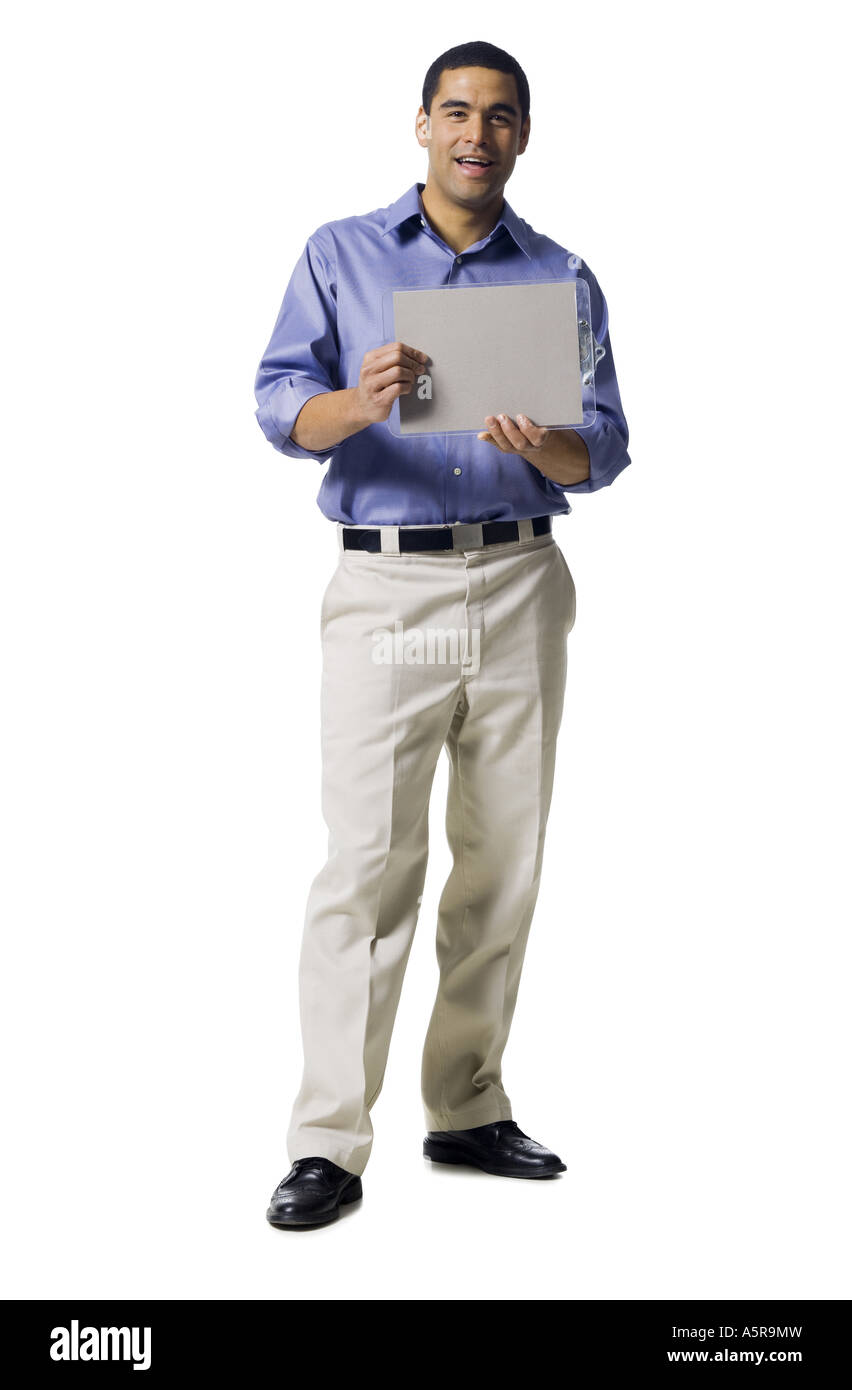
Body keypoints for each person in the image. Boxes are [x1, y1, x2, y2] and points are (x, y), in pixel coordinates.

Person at [254, 40, 631, 1230]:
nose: (479, 133)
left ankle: (466, 1104)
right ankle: (327, 1139)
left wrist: (546, 447)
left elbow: (606, 448)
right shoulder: (340, 255)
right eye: (457, 112)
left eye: (502, 116)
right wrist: (354, 405)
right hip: (386, 590)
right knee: (366, 866)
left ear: (525, 135)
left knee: (503, 859)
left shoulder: (563, 279)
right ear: (422, 125)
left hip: (522, 577)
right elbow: (276, 402)